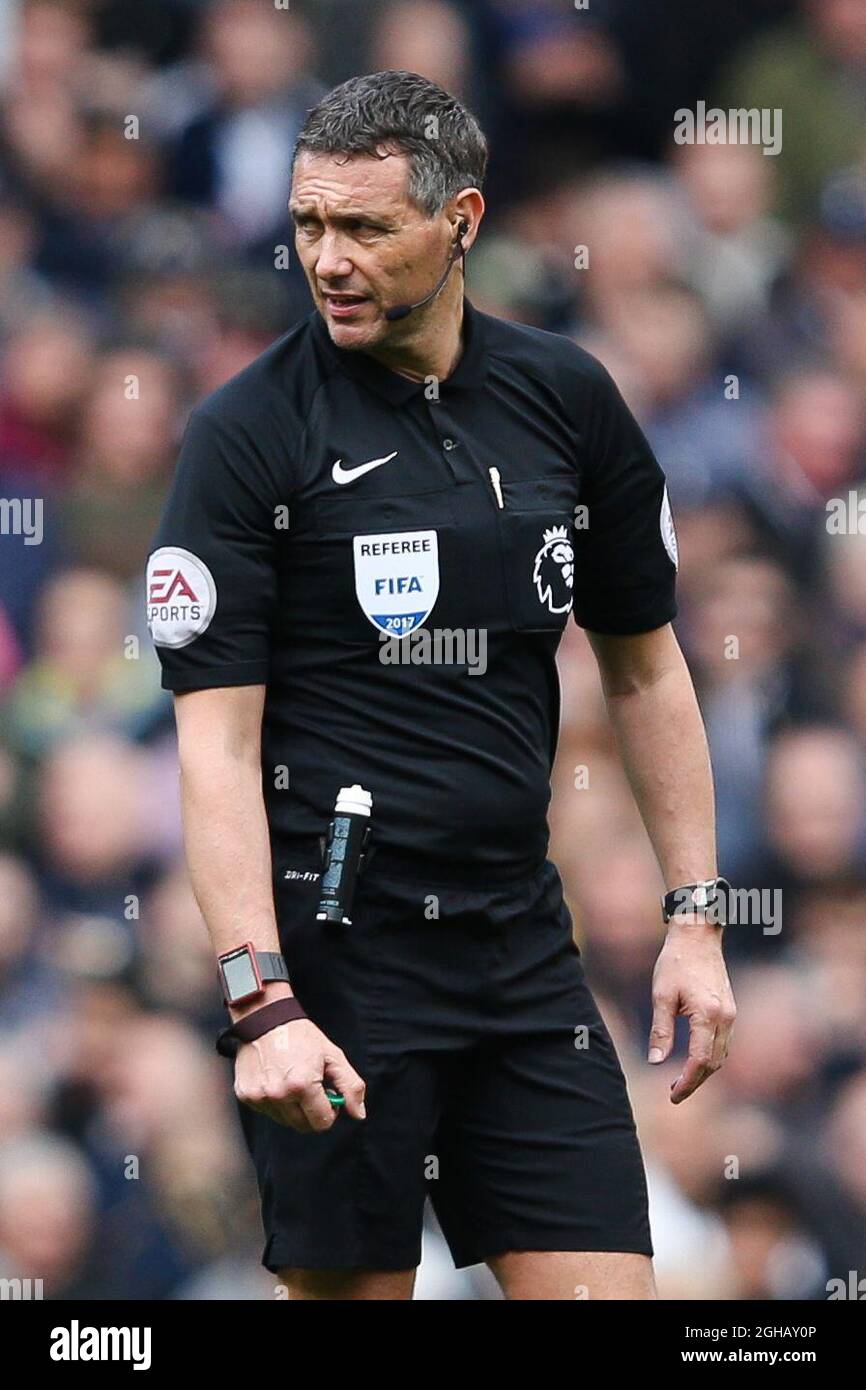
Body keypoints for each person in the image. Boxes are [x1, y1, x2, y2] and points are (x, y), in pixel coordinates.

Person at [146, 69, 736, 1302]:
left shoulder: (565, 400)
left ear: (460, 222)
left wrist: (693, 911)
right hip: (337, 961)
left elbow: (644, 666)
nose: (328, 259)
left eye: (365, 227)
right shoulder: (245, 434)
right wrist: (260, 1002)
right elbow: (211, 747)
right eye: (308, 225)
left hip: (520, 944)